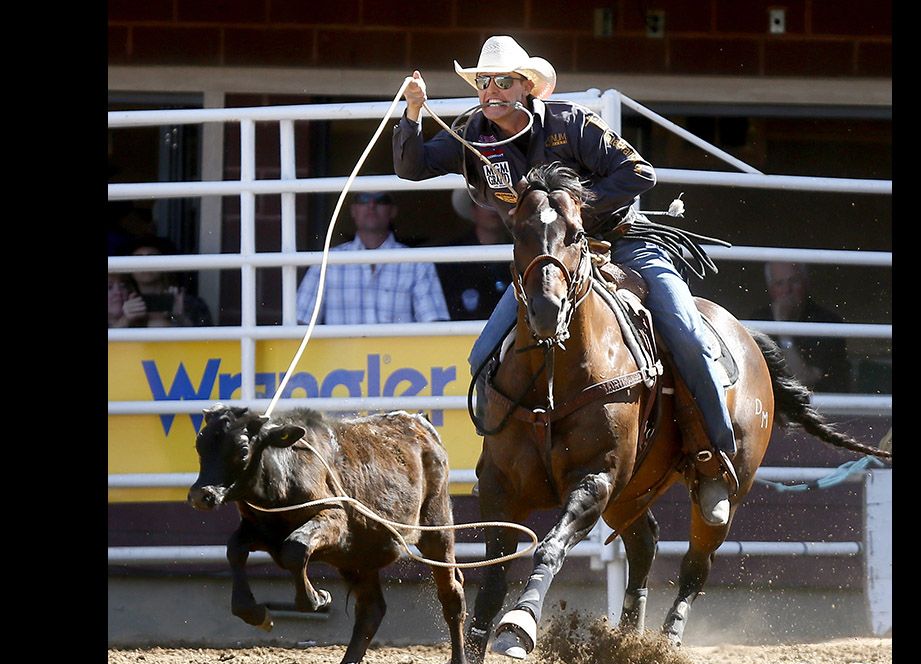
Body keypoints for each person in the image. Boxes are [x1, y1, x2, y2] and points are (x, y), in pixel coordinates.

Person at [393, 35, 738, 526]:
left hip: (620, 243)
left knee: (687, 331)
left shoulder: (569, 123)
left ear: (527, 86)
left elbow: (639, 173)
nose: (491, 90)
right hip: (548, 263)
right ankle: (509, 463)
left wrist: (570, 206)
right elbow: (411, 166)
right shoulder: (473, 132)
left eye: (503, 81)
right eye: (483, 81)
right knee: (483, 353)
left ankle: (712, 461)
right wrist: (411, 112)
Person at [296, 191, 449, 325]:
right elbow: (301, 322)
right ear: (353, 210)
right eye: (363, 198)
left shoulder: (417, 263)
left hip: (400, 358)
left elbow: (434, 323)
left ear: (393, 211)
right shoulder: (328, 262)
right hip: (342, 358)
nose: (371, 204)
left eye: (381, 199)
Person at [753, 261, 851, 392]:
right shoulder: (758, 321)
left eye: (794, 281)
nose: (787, 290)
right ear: (770, 290)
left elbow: (803, 380)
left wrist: (783, 330)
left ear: (806, 284)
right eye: (779, 284)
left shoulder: (826, 323)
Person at [432, 189, 511, 320]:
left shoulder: (520, 251)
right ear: (473, 209)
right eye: (485, 201)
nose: (493, 208)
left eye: (499, 200)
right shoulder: (452, 257)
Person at [120, 235, 213, 327]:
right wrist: (126, 319)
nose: (145, 263)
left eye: (152, 257)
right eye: (137, 258)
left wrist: (180, 316)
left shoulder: (188, 303)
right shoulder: (119, 299)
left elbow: (207, 339)